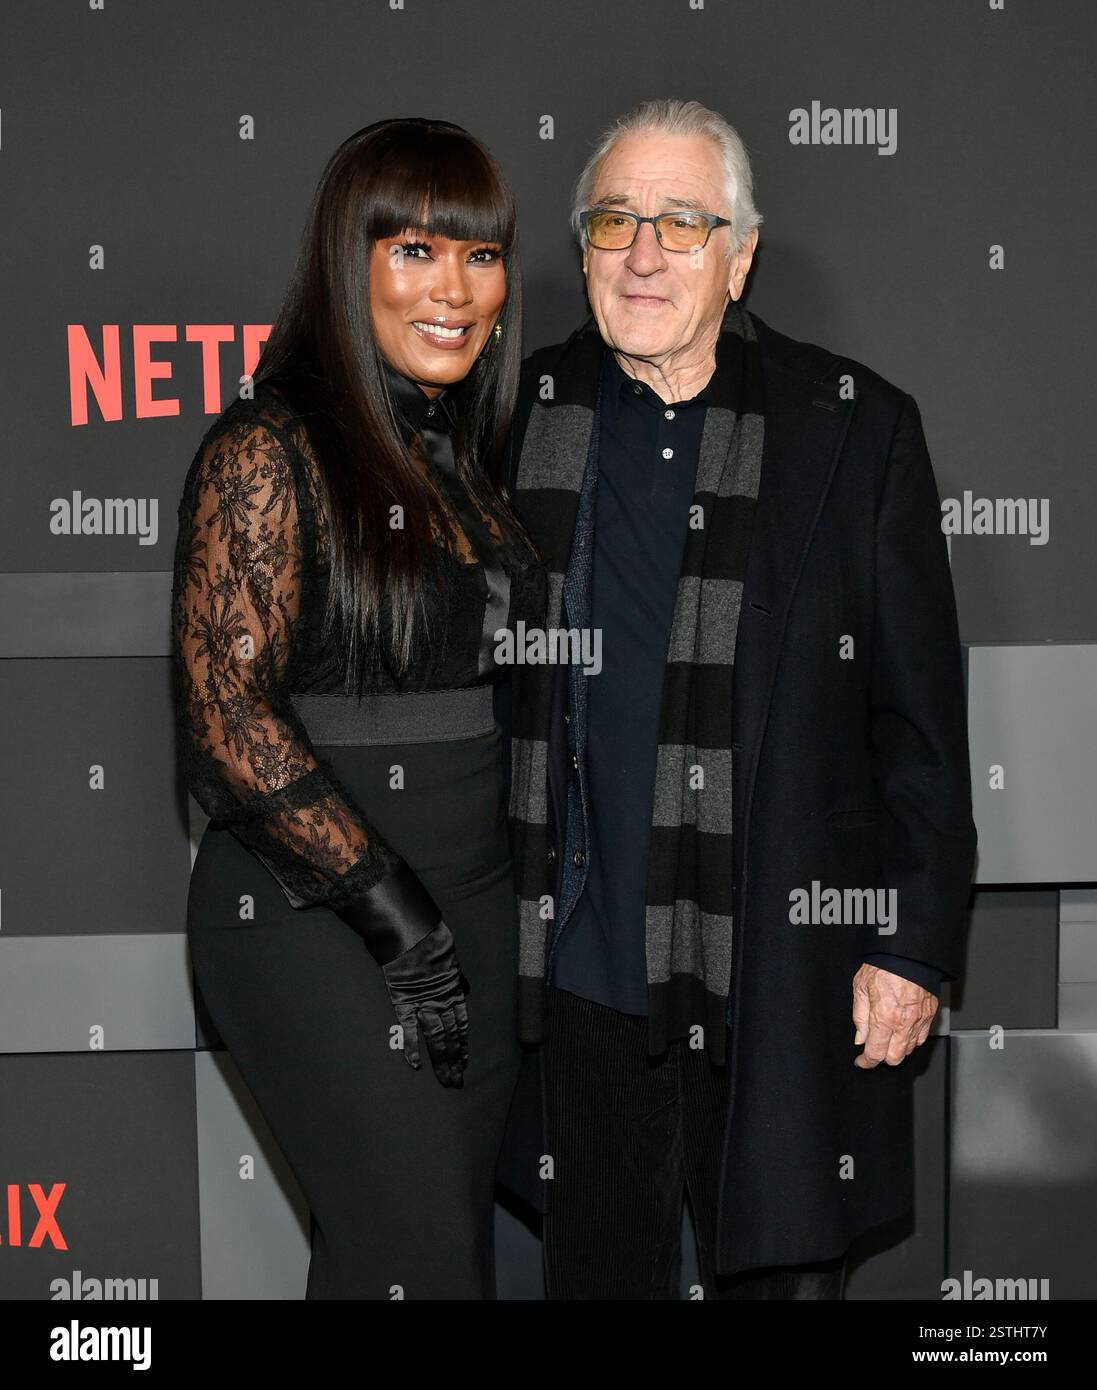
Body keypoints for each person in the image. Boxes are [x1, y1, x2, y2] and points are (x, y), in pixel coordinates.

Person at [496, 98, 978, 1299]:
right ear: (582, 249)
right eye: (614, 221)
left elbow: (919, 720)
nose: (644, 253)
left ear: (739, 254)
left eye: (681, 223)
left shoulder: (855, 429)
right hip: (577, 976)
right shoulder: (513, 420)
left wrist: (912, 943)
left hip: (780, 966)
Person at [171, 117, 546, 1300]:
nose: (454, 290)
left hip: (472, 908)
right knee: (422, 1266)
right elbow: (225, 713)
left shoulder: (467, 457)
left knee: (401, 1263)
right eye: (416, 251)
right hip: (317, 917)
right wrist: (397, 916)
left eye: (480, 258)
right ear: (350, 260)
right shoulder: (268, 449)